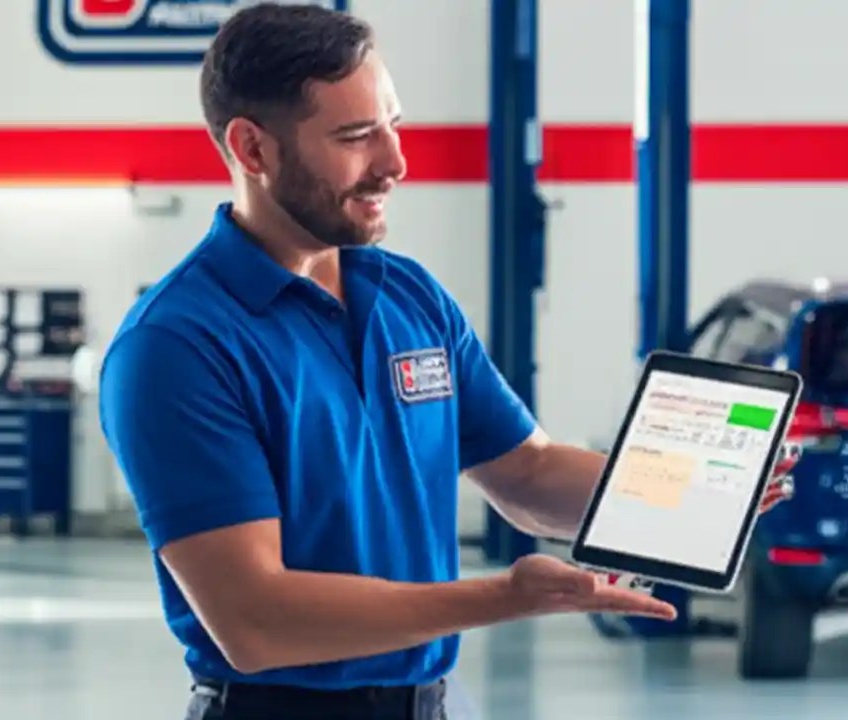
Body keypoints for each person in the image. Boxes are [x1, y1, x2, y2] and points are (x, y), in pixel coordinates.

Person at [98, 5, 789, 719]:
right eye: (356, 136)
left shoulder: (408, 297)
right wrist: (505, 598)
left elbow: (527, 471)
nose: (395, 162)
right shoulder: (175, 348)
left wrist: (696, 487)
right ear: (252, 150)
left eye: (393, 124)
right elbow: (255, 621)